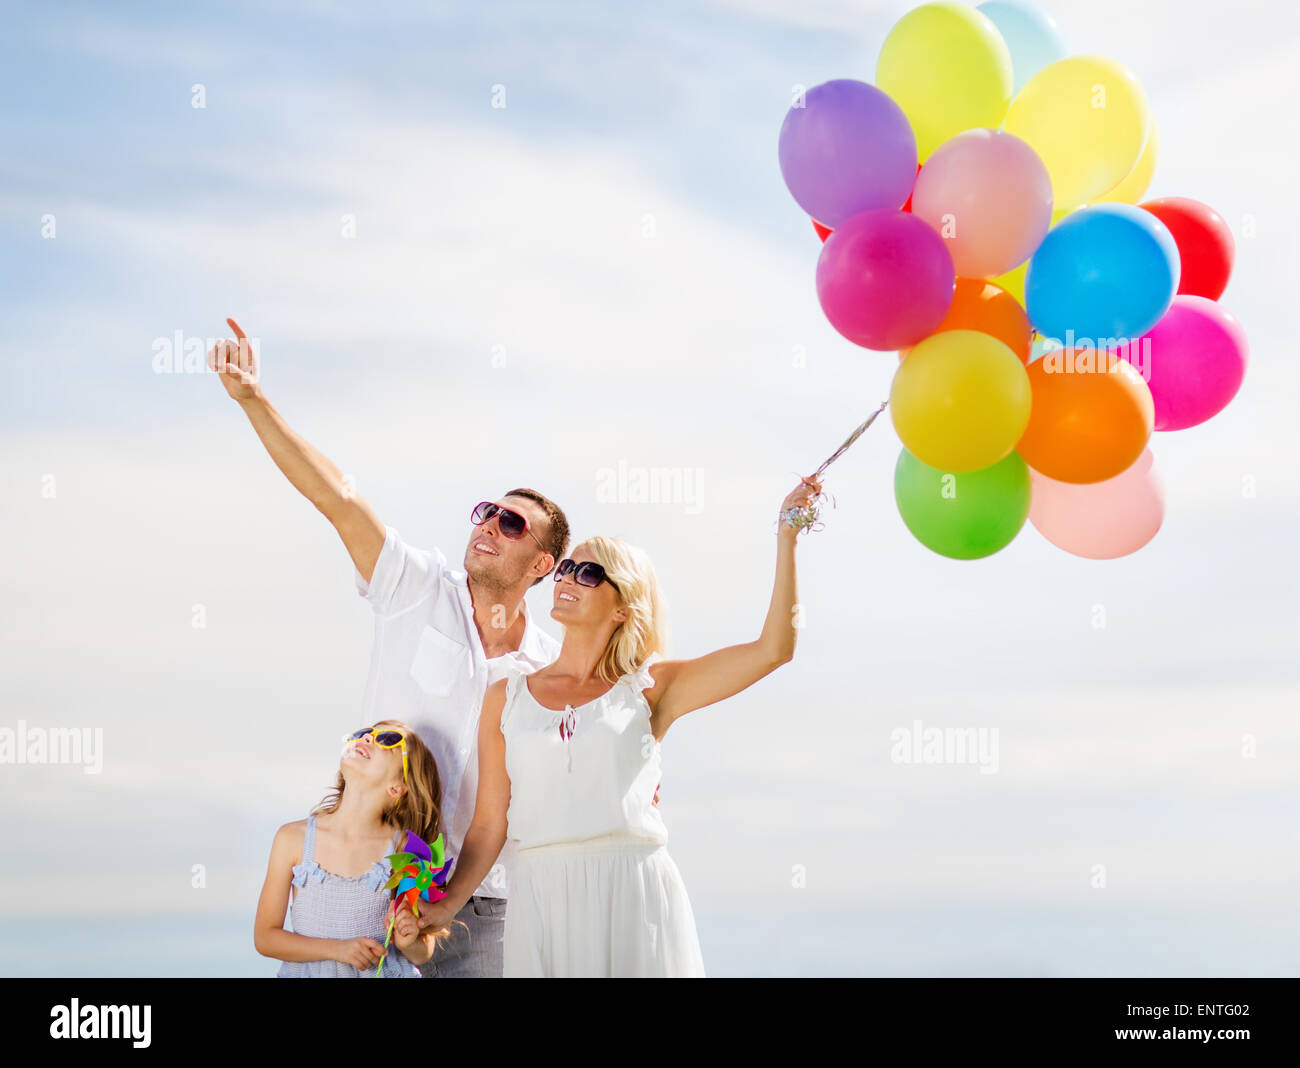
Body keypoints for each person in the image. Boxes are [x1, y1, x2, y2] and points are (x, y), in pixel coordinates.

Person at [209, 319, 571, 977]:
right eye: (487, 509)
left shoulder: (550, 667)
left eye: (511, 522)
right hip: (371, 888)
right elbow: (338, 497)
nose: (489, 523)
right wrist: (254, 400)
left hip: (486, 907)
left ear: (543, 564)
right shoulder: (414, 585)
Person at [414, 476, 823, 976]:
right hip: (539, 900)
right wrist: (444, 906)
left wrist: (788, 534)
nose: (567, 578)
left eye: (589, 573)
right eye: (566, 567)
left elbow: (773, 649)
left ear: (623, 607)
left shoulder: (650, 689)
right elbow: (488, 825)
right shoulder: (506, 695)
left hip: (633, 892)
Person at [253, 720, 448, 977]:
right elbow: (265, 938)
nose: (367, 738)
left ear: (398, 787)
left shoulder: (405, 850)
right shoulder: (292, 838)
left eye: (388, 740)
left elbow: (424, 951)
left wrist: (407, 940)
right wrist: (337, 950)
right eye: (364, 734)